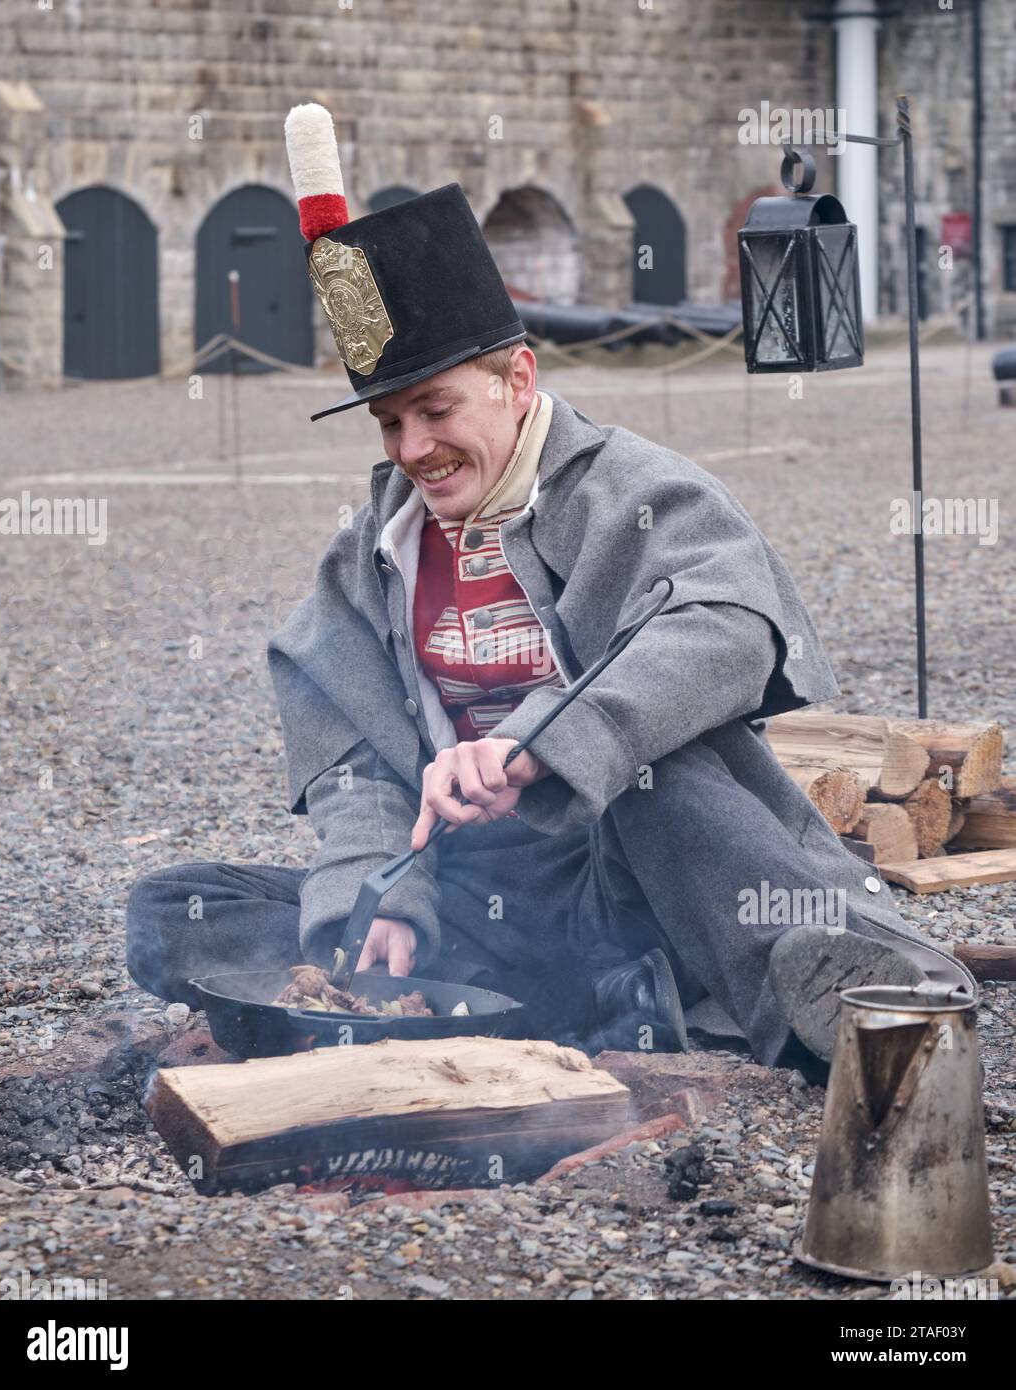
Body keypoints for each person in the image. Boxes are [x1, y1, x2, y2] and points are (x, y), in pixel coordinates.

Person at [126, 105, 974, 1071]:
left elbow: (730, 628)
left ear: (517, 379)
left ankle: (834, 993)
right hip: (467, 897)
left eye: (435, 410)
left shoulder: (635, 489)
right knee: (174, 905)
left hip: (634, 874)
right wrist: (373, 898)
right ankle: (574, 1001)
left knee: (669, 769)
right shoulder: (373, 549)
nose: (413, 452)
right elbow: (353, 759)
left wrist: (541, 743)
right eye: (388, 424)